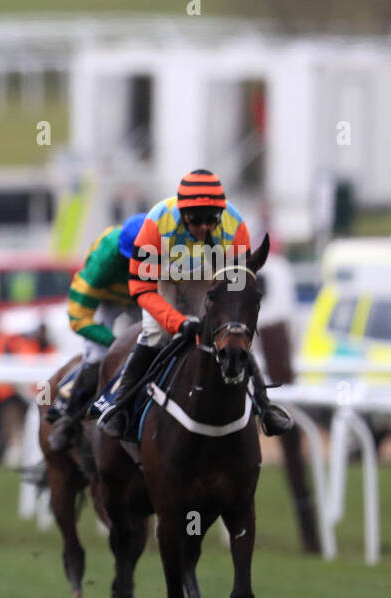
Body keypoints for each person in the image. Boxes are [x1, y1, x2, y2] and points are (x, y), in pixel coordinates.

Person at [98, 169, 293, 438]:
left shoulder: (235, 226)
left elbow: (237, 286)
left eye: (211, 220)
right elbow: (141, 287)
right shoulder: (156, 222)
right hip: (164, 279)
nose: (204, 227)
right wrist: (177, 323)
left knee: (230, 334)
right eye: (196, 220)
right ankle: (120, 406)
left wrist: (226, 318)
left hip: (207, 278)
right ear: (182, 214)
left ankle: (265, 407)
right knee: (155, 334)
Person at [45, 213, 145, 452]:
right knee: (98, 358)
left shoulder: (168, 247)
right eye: (132, 259)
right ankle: (69, 420)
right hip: (105, 301)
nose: (138, 265)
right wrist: (114, 343)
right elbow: (78, 316)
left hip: (143, 297)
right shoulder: (105, 256)